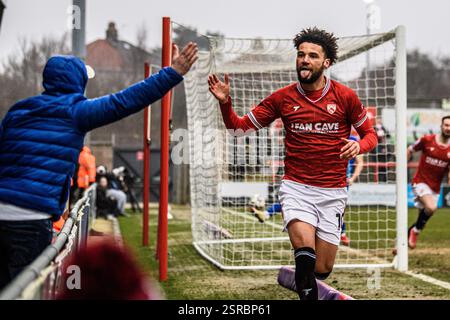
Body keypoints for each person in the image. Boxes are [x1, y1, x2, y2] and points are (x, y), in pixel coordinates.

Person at [0, 42, 198, 289]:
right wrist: (172, 73)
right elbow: (125, 101)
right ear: (78, 82)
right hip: (31, 220)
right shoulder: (77, 111)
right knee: (27, 290)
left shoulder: (18, 111)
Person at [208, 27, 377, 300]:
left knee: (322, 269)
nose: (305, 60)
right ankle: (302, 275)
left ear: (326, 62)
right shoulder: (282, 98)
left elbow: (372, 136)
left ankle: (297, 278)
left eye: (312, 55)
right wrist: (226, 103)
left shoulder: (345, 97)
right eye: (301, 55)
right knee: (306, 258)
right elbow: (238, 129)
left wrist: (359, 145)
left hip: (333, 192)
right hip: (296, 188)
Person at [406, 115, 450, 249]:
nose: (448, 128)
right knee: (431, 207)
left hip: (434, 188)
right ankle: (415, 232)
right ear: (441, 126)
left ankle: (401, 242)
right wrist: (402, 163)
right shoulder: (427, 140)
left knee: (421, 221)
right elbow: (410, 149)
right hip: (420, 182)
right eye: (446, 125)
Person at [340, 134, 364, 246]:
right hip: (326, 177)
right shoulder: (330, 132)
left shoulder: (353, 139)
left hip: (344, 180)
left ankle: (342, 233)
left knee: (340, 207)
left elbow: (360, 162)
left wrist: (353, 178)